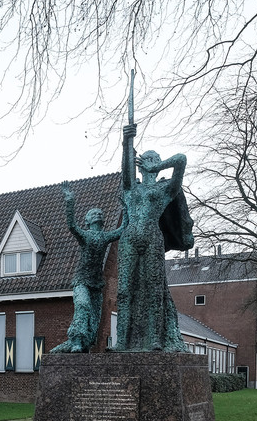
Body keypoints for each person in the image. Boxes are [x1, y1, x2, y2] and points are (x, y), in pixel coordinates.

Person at [113, 136, 194, 352]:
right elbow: (126, 170)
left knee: (154, 290)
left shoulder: (165, 189)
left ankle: (154, 339)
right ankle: (122, 341)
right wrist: (127, 141)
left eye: (153, 160)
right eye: (146, 160)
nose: (148, 163)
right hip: (129, 238)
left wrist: (158, 165)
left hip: (152, 237)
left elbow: (181, 159)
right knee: (124, 291)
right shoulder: (130, 188)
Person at [52, 183, 126, 352]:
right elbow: (72, 226)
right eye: (94, 213)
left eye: (100, 213)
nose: (98, 214)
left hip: (96, 284)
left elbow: (122, 229)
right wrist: (70, 201)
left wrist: (126, 207)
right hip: (82, 282)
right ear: (88, 221)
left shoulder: (105, 236)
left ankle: (84, 345)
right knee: (83, 305)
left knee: (95, 317)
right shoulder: (85, 236)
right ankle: (76, 339)